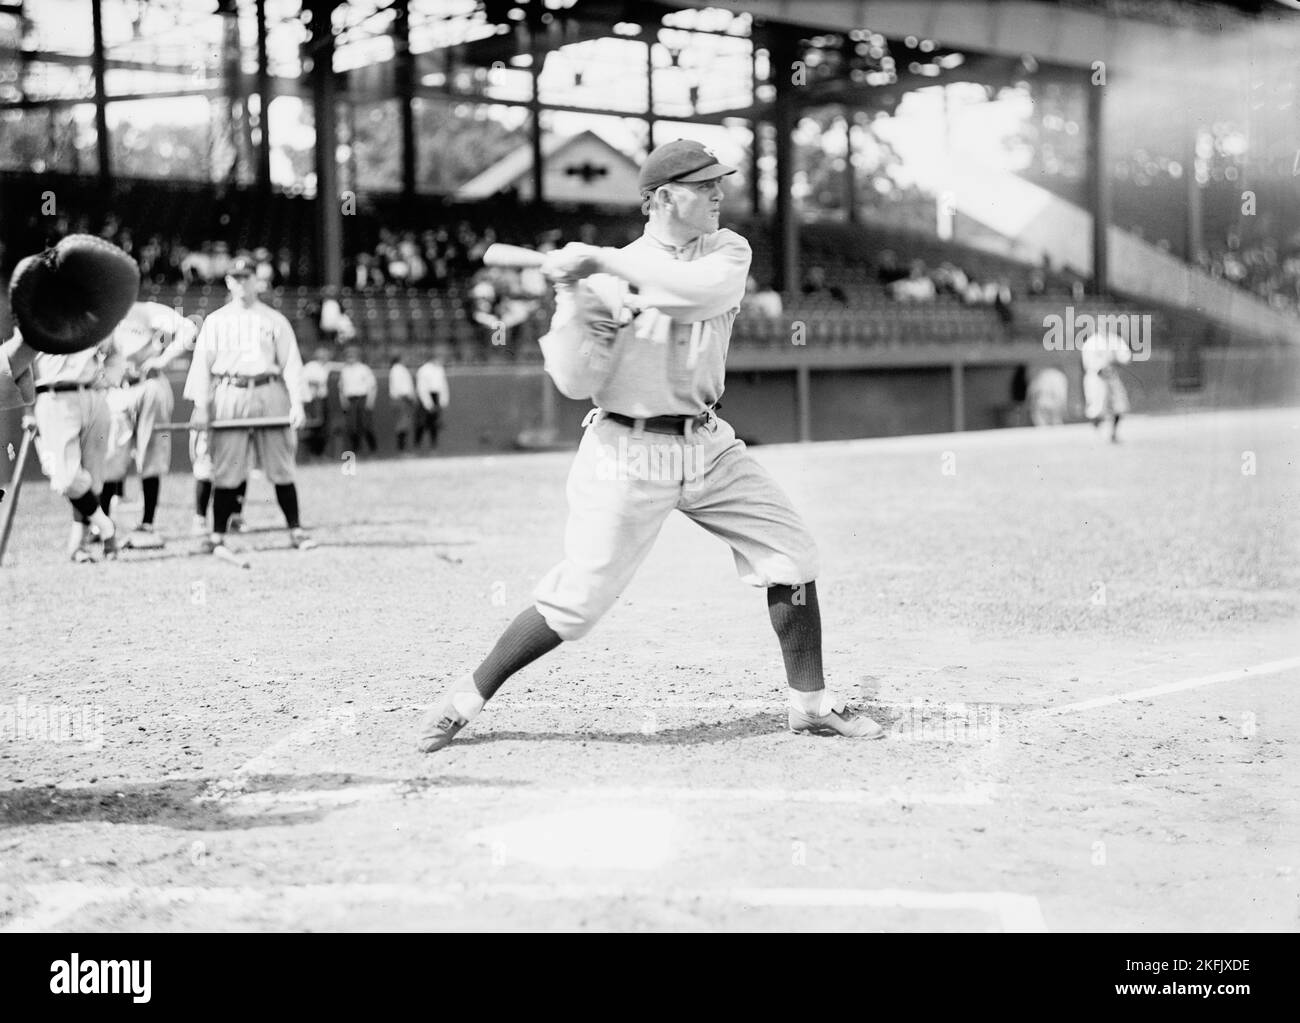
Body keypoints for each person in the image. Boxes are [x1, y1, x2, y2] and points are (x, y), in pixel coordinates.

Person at [417, 138, 882, 754]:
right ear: (664, 197)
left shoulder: (725, 249)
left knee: (791, 556)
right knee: (577, 604)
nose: (720, 192)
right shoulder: (602, 279)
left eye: (720, 182)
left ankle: (812, 706)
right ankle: (463, 700)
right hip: (626, 451)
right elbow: (573, 381)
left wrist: (608, 267)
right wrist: (577, 305)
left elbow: (697, 294)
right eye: (704, 184)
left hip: (706, 442)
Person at [183, 255, 316, 565]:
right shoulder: (216, 320)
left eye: (246, 277)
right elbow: (201, 366)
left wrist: (297, 402)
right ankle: (217, 535)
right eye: (235, 278)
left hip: (269, 390)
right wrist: (201, 407)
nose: (241, 283)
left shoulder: (274, 319)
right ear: (228, 282)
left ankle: (296, 531)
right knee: (227, 466)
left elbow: (291, 364)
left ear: (257, 280)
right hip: (230, 390)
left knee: (281, 464)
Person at [97, 301, 199, 549]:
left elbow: (189, 329)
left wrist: (163, 359)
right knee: (110, 456)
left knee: (152, 454)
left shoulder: (146, 310)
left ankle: (147, 524)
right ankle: (102, 524)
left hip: (149, 384)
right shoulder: (104, 311)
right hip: (117, 389)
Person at [28, 331, 119, 562]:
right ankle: (105, 525)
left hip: (91, 393)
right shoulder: (34, 312)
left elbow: (115, 352)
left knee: (93, 477)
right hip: (52, 395)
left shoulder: (91, 315)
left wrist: (109, 377)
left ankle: (78, 545)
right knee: (67, 478)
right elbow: (21, 363)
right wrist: (28, 409)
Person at [1079, 328, 1132, 442]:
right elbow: (1088, 362)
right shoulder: (1092, 342)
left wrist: (1116, 359)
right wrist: (1100, 367)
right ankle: (1097, 433)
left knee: (1120, 406)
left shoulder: (1115, 340)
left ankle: (1113, 433)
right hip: (1096, 378)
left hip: (1112, 376)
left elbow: (1125, 357)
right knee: (1097, 408)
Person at [338, 345, 377, 455]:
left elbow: (372, 386)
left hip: (362, 398)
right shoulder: (344, 370)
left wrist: (370, 401)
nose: (350, 358)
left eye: (352, 355)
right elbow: (341, 388)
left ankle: (373, 449)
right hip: (350, 399)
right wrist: (343, 401)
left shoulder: (364, 369)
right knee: (352, 427)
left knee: (366, 425)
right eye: (348, 356)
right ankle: (356, 450)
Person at [301, 346, 335, 458]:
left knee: (324, 428)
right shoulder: (311, 366)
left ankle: (320, 453)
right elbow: (304, 379)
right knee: (314, 427)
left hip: (322, 399)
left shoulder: (325, 367)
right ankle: (313, 453)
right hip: (313, 400)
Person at [415, 346, 450, 450]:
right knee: (421, 423)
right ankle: (417, 446)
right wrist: (428, 404)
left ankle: (433, 446)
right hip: (426, 398)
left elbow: (443, 386)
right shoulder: (423, 370)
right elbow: (422, 388)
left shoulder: (440, 369)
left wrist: (443, 401)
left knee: (434, 424)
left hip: (436, 398)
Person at [388, 353, 417, 452]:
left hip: (403, 400)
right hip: (402, 400)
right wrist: (410, 398)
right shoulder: (398, 370)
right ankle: (402, 449)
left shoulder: (399, 369)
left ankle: (403, 449)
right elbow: (401, 388)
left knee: (404, 424)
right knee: (402, 425)